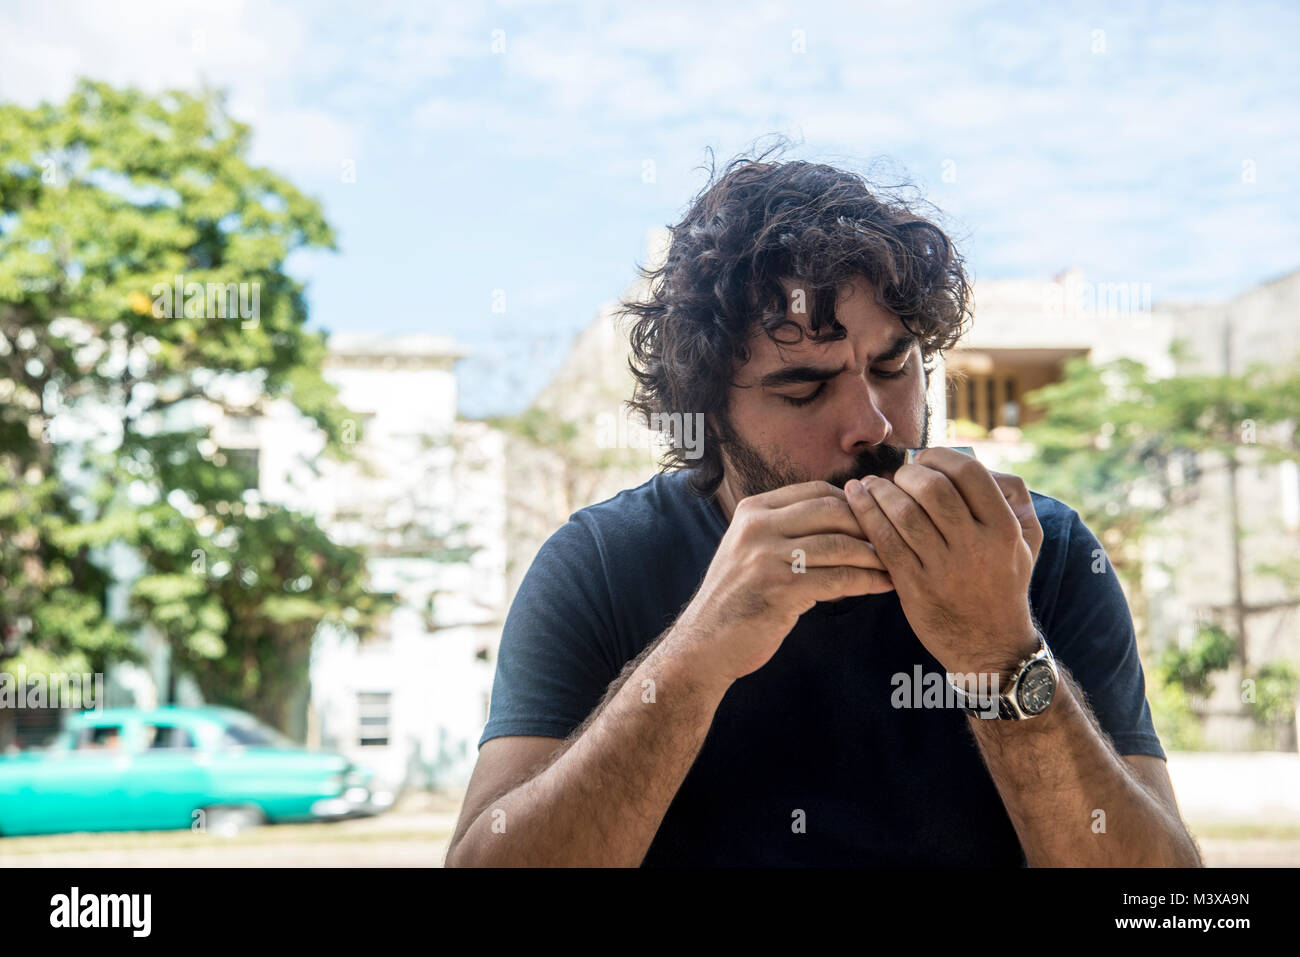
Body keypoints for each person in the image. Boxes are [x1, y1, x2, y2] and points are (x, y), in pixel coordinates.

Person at [446, 149, 1202, 867]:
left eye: (892, 364)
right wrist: (695, 655)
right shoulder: (602, 563)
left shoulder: (1041, 549)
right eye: (804, 388)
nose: (873, 423)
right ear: (706, 410)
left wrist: (1000, 655)